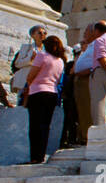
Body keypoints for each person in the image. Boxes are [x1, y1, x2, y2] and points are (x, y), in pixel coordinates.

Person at [24, 35, 66, 163]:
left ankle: (35, 157)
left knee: (35, 126)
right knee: (45, 126)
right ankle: (41, 155)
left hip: (38, 92)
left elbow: (30, 76)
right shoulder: (60, 61)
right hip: (52, 93)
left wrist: (31, 85)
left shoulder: (42, 56)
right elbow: (58, 79)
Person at [11, 25, 46, 105]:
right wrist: (30, 59)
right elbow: (17, 64)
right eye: (39, 33)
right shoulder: (26, 48)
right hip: (25, 81)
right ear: (33, 35)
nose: (42, 35)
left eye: (44, 33)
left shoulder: (47, 50)